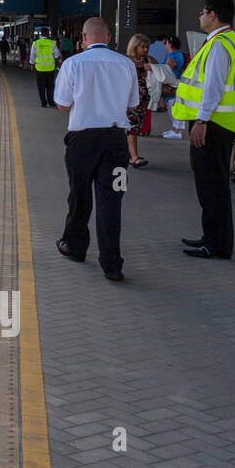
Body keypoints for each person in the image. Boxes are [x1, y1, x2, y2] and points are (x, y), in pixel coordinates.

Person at [53, 16, 138, 282]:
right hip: (116, 143)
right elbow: (131, 104)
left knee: (79, 196)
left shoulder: (72, 64)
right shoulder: (127, 64)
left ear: (84, 39)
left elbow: (62, 105)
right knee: (113, 200)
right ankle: (112, 264)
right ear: (110, 38)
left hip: (81, 143)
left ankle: (76, 247)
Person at [171, 0, 235, 260]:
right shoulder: (225, 41)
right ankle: (212, 236)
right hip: (217, 124)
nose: (200, 17)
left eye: (203, 12)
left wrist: (201, 122)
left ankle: (217, 244)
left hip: (212, 125)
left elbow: (213, 87)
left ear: (213, 15)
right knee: (211, 184)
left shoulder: (218, 45)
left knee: (211, 185)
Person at [124, 34, 156, 167]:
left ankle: (130, 154)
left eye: (147, 46)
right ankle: (134, 157)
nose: (145, 49)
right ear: (134, 46)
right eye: (142, 46)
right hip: (129, 98)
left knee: (135, 128)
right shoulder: (126, 61)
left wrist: (153, 68)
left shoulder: (148, 59)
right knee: (132, 127)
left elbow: (161, 73)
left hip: (144, 99)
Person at [31, 28, 60, 107]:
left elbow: (32, 56)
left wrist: (32, 65)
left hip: (39, 68)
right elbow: (57, 56)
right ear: (48, 34)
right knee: (50, 86)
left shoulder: (35, 43)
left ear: (41, 34)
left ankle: (43, 103)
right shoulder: (52, 43)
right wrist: (57, 65)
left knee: (41, 86)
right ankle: (51, 102)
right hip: (50, 68)